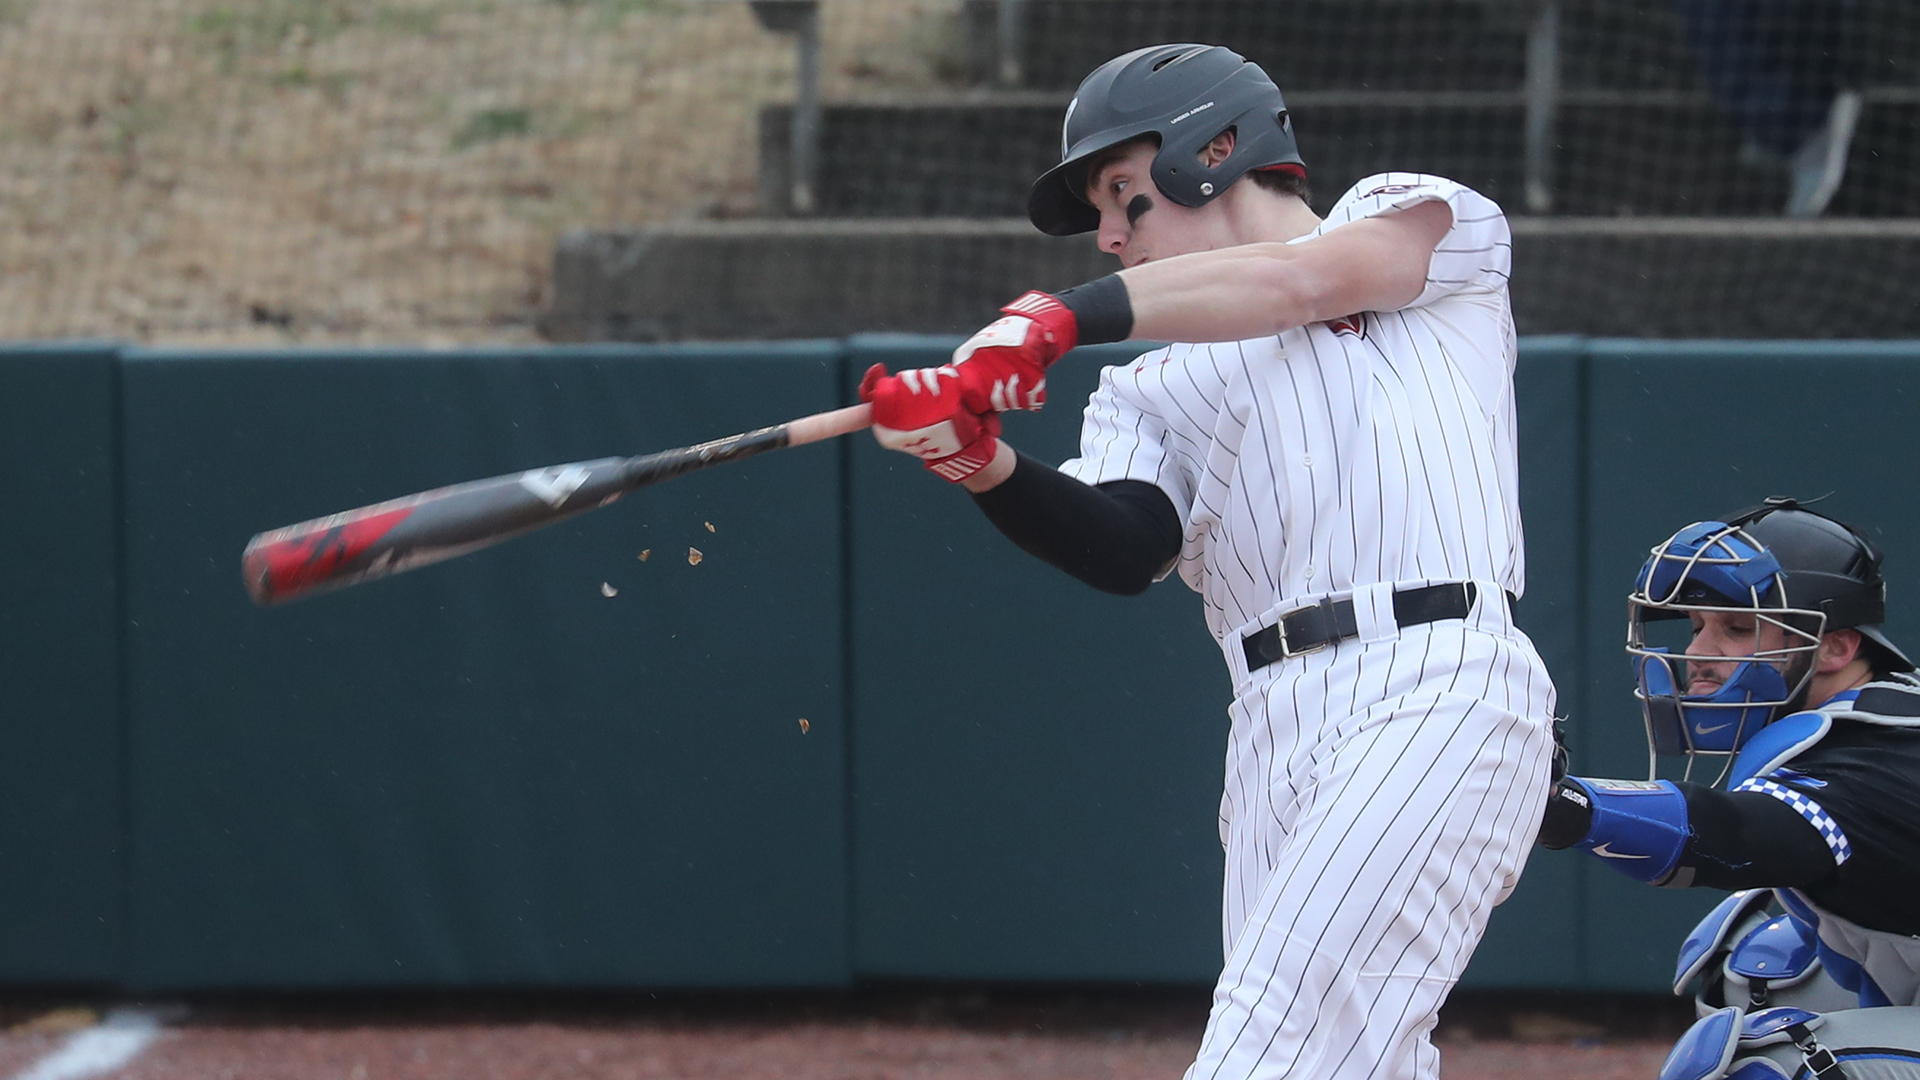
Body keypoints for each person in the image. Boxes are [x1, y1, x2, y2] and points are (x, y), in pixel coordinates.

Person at [859, 43, 1559, 1080]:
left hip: (1435, 679)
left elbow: (1294, 281)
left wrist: (1059, 317)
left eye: (1123, 196)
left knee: (1272, 1046)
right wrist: (977, 461)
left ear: (1216, 148)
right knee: (1348, 1058)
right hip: (1272, 726)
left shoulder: (1408, 214)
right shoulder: (1146, 389)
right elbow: (1125, 546)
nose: (1106, 236)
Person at [1538, 499, 1920, 1076]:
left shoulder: (1888, 757)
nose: (1698, 655)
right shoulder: (1866, 719)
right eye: (1698, 627)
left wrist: (1568, 806)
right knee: (1746, 961)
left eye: (1738, 628)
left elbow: (1742, 835)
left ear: (1837, 648)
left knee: (1760, 1065)